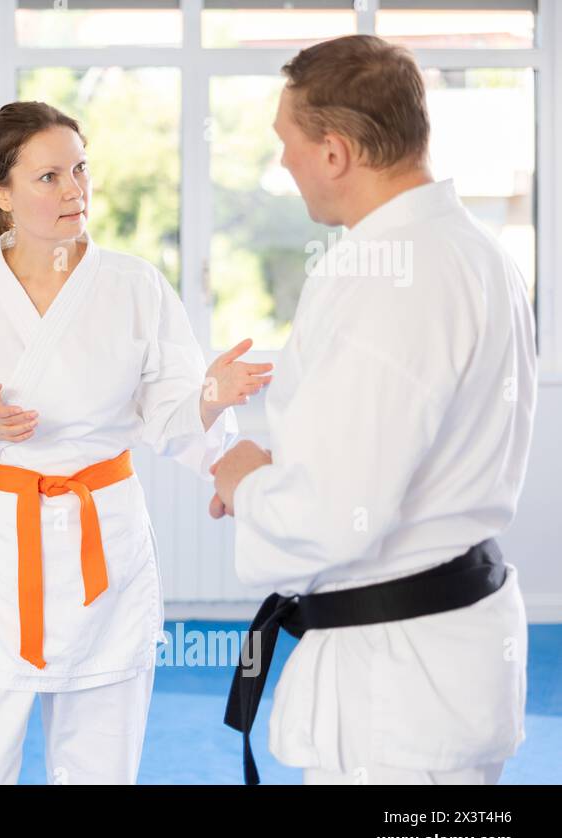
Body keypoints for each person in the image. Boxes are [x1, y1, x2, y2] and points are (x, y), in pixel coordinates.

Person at [0, 101, 271, 784]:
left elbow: (169, 413)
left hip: (104, 546)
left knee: (100, 763)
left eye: (81, 169)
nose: (74, 190)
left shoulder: (134, 286)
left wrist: (211, 396)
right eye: (48, 177)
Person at [210, 35, 536, 786]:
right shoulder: (464, 249)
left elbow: (337, 511)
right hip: (429, 665)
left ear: (334, 152)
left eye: (287, 142)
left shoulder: (395, 277)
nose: (283, 163)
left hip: (401, 696)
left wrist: (246, 479)